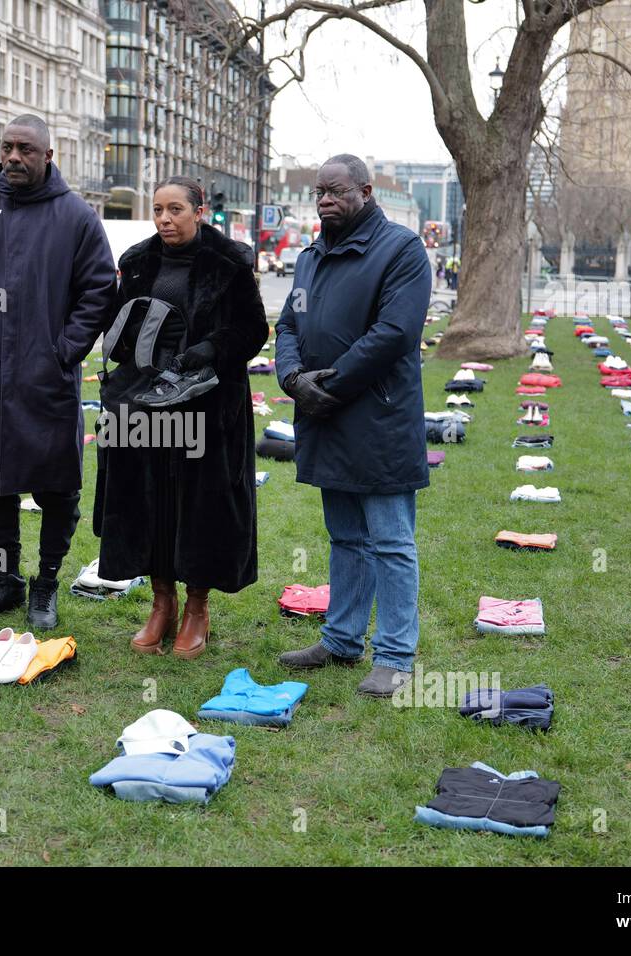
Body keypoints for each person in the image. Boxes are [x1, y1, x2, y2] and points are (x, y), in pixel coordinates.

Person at [0, 114, 117, 631]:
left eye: (26, 150)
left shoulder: (76, 216)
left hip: (44, 377)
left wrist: (64, 350)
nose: (14, 157)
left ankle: (46, 583)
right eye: (8, 147)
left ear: (48, 156)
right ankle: (5, 579)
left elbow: (99, 289)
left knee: (57, 488)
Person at [273, 153, 432, 697]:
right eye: (319, 192)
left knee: (390, 541)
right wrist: (293, 378)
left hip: (378, 417)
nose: (324, 201)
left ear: (367, 192)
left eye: (336, 192)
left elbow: (393, 333)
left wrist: (328, 387)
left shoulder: (402, 250)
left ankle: (395, 656)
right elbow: (289, 324)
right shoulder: (310, 257)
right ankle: (341, 639)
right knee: (345, 537)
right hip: (324, 413)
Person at [92, 177, 269, 659]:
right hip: (143, 403)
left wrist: (209, 349)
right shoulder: (136, 261)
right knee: (148, 503)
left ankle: (196, 608)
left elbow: (254, 329)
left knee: (198, 506)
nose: (165, 219)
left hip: (207, 405)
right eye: (157, 210)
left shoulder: (230, 262)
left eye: (175, 209)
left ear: (199, 211)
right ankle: (161, 603)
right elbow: (116, 320)